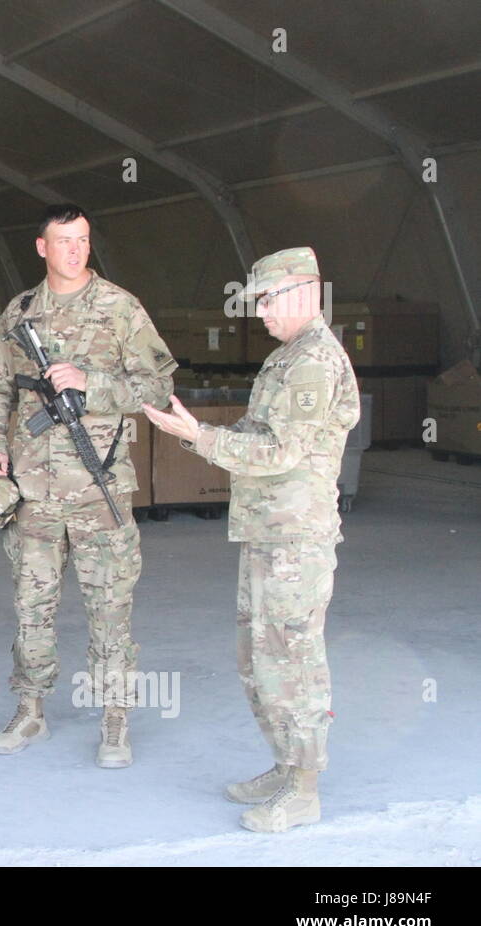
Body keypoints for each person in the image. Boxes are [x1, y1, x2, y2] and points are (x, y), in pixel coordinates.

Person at [144, 247, 358, 833]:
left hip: (295, 537)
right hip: (269, 532)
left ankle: (304, 788)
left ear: (305, 291)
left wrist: (200, 436)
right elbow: (255, 432)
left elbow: (280, 451)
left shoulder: (313, 362)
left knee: (293, 660)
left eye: (267, 300)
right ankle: (285, 765)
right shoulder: (287, 356)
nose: (259, 313)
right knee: (259, 659)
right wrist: (194, 432)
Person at [0, 204, 176, 767]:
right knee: (31, 609)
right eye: (64, 241)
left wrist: (93, 384)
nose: (75, 250)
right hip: (32, 494)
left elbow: (159, 388)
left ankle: (114, 722)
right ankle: (30, 710)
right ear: (42, 247)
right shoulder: (18, 313)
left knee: (110, 610)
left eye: (83, 240)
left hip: (97, 492)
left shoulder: (120, 308)